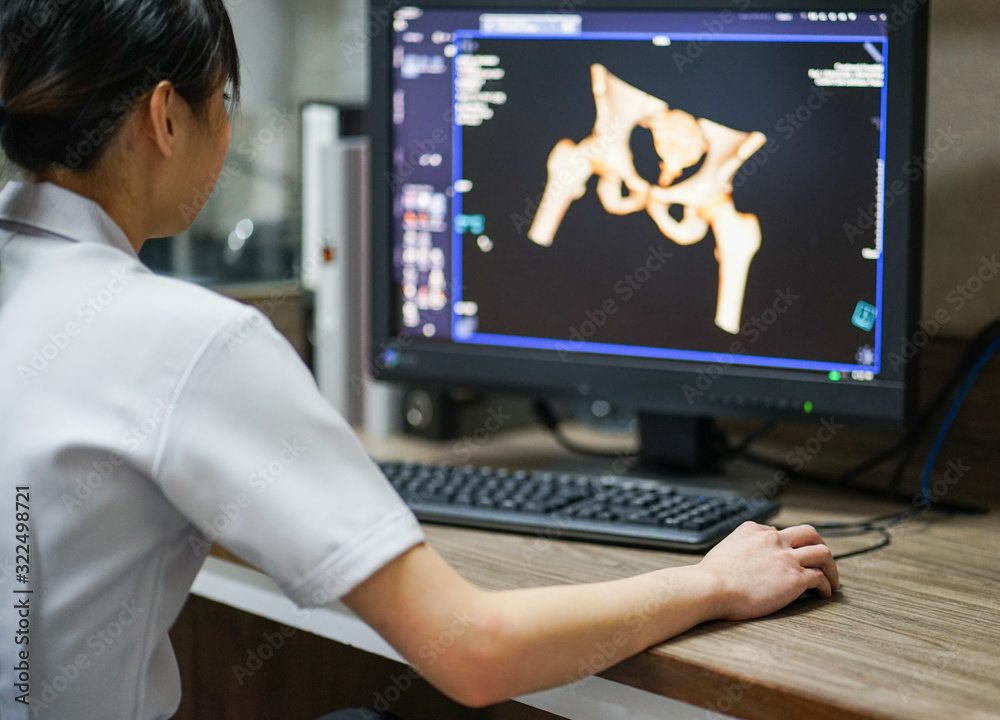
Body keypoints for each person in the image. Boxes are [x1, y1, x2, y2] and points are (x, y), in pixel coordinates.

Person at [0, 2, 840, 719]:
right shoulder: (184, 340)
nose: (228, 129)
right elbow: (471, 650)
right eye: (223, 100)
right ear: (165, 117)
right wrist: (715, 582)